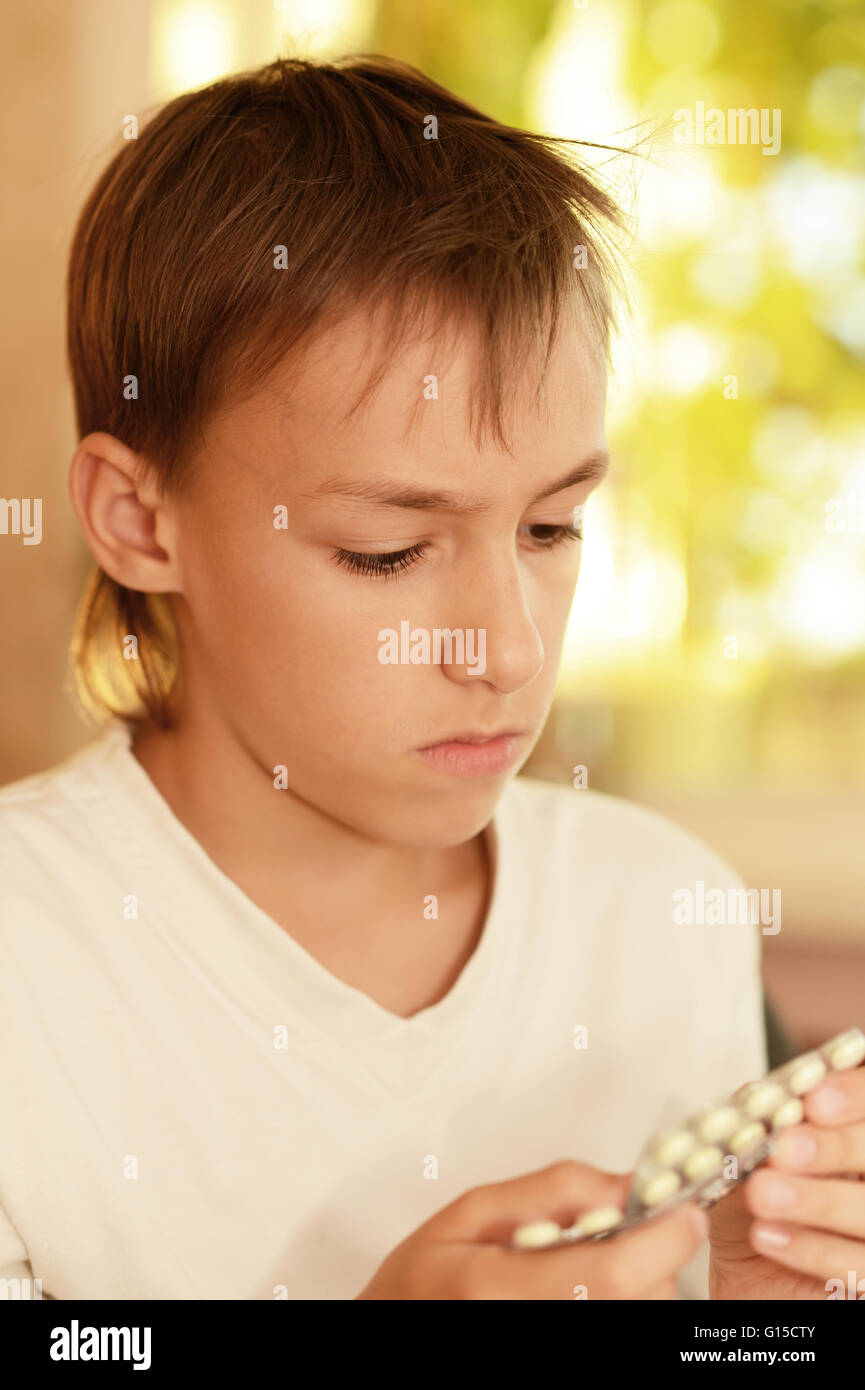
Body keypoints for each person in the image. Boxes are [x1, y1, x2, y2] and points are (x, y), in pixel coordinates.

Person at [2, 55, 861, 1302]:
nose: (507, 651)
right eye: (387, 550)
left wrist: (757, 1325)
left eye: (552, 528)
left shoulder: (662, 919)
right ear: (139, 520)